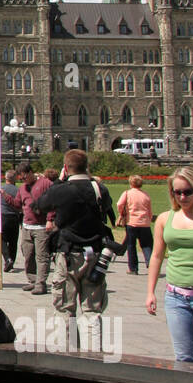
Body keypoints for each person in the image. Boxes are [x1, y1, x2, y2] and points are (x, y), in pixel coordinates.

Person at [32, 149, 117, 352]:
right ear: (86, 167)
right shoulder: (99, 189)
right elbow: (106, 208)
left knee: (64, 309)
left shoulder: (62, 190)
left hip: (69, 253)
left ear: (66, 168)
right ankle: (94, 357)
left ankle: (67, 357)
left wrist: (60, 182)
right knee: (92, 310)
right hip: (95, 255)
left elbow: (39, 205)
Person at [146, 165, 193, 365]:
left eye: (188, 192)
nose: (182, 197)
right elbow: (157, 256)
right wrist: (150, 292)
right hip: (176, 297)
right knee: (184, 357)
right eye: (178, 192)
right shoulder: (166, 219)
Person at [17, 162, 54, 294]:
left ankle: (41, 283)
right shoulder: (22, 188)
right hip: (27, 226)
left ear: (31, 173)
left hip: (41, 226)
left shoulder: (46, 184)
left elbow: (53, 202)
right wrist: (4, 196)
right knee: (28, 255)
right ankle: (32, 280)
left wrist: (50, 219)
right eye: (20, 179)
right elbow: (17, 204)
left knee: (42, 256)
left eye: (24, 177)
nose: (23, 181)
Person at [117, 175, 154, 275]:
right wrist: (149, 219)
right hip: (145, 223)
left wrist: (122, 213)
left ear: (131, 183)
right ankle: (150, 263)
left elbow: (119, 204)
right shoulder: (146, 195)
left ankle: (133, 268)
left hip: (132, 222)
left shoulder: (127, 193)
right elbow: (149, 210)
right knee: (147, 245)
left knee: (131, 245)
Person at [0, 169, 21, 271]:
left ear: (5, 177)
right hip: (14, 217)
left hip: (3, 216)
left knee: (2, 239)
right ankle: (11, 261)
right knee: (13, 241)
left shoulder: (1, 189)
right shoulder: (18, 190)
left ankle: (7, 258)